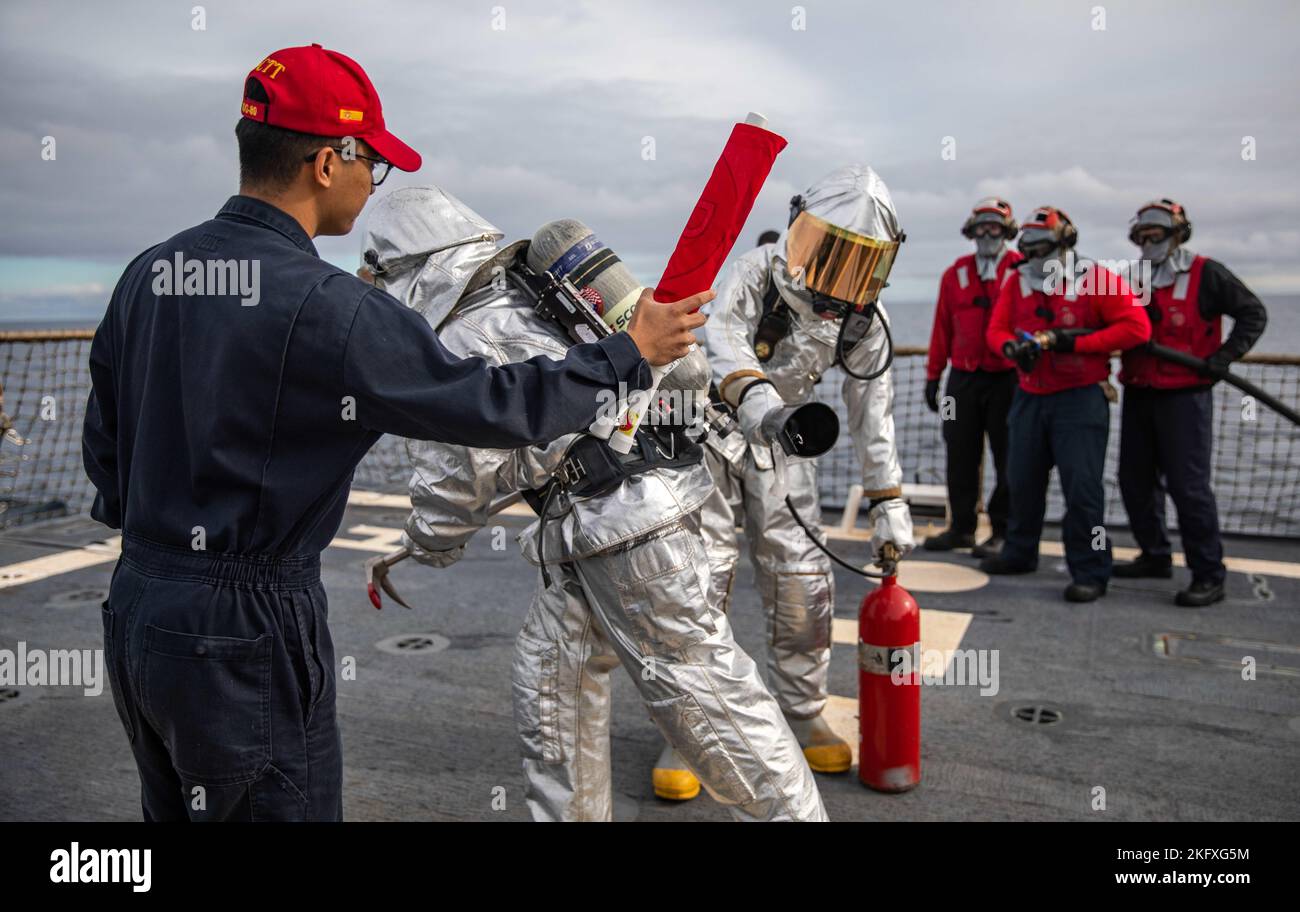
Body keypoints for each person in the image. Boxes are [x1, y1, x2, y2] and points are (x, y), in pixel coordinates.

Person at [81, 44, 705, 822]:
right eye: (371, 164)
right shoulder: (328, 306)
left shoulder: (149, 272)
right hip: (246, 628)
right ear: (326, 160)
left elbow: (105, 447)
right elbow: (485, 404)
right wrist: (626, 354)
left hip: (138, 607)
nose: (373, 184)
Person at [362, 190, 827, 821]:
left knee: (716, 714)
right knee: (554, 682)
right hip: (618, 521)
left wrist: (422, 545)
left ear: (401, 268)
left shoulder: (453, 337)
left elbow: (457, 483)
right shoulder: (527, 293)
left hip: (623, 539)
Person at [657, 163, 915, 796]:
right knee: (698, 582)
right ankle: (686, 732)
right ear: (800, 232)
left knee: (802, 585)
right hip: (711, 441)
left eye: (861, 264)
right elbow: (721, 337)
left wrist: (887, 503)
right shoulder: (757, 272)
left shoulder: (860, 319)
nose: (842, 279)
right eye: (832, 254)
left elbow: (870, 415)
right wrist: (758, 402)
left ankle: (802, 714)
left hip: (786, 447)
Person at [981, 206, 1151, 602]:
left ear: (1063, 244)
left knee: (1083, 490)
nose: (1036, 258)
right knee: (1020, 480)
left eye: (1043, 248)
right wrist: (1010, 348)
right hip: (1030, 397)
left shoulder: (1096, 279)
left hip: (1080, 399)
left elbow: (1136, 328)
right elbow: (997, 329)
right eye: (1030, 249)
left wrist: (1074, 342)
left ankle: (1091, 570)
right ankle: (1020, 552)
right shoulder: (1016, 281)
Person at [1114, 199, 1268, 607]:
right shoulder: (1131, 279)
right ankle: (1154, 554)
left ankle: (1208, 574)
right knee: (1134, 479)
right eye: (1142, 236)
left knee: (1189, 487)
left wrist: (1223, 356)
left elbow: (1253, 313)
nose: (1149, 242)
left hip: (1185, 396)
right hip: (1139, 392)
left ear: (1178, 233)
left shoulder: (1207, 274)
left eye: (1156, 234)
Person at [923, 198, 1024, 558]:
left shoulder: (1022, 269)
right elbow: (941, 328)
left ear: (1007, 230)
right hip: (962, 380)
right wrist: (933, 376)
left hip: (1008, 380)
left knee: (1008, 455)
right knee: (958, 451)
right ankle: (962, 527)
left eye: (994, 225)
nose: (986, 232)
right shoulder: (955, 274)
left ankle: (1001, 530)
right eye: (981, 225)